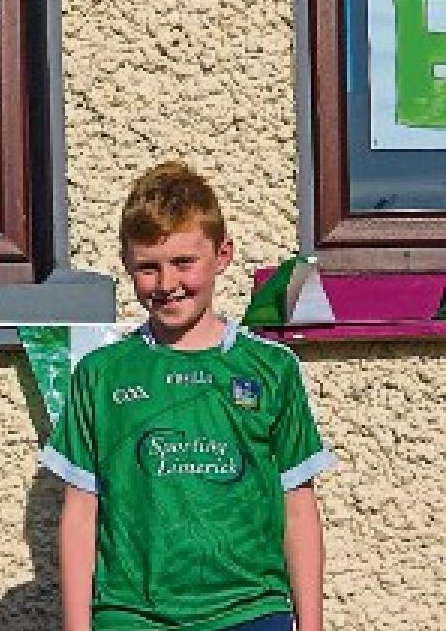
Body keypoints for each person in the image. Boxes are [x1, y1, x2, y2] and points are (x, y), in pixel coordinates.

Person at [43, 161, 336, 630]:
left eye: (183, 263)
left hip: (250, 611)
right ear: (127, 266)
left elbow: (298, 506)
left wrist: (312, 624)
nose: (166, 283)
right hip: (132, 616)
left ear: (223, 255)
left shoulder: (272, 369)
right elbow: (80, 512)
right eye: (148, 268)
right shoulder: (100, 375)